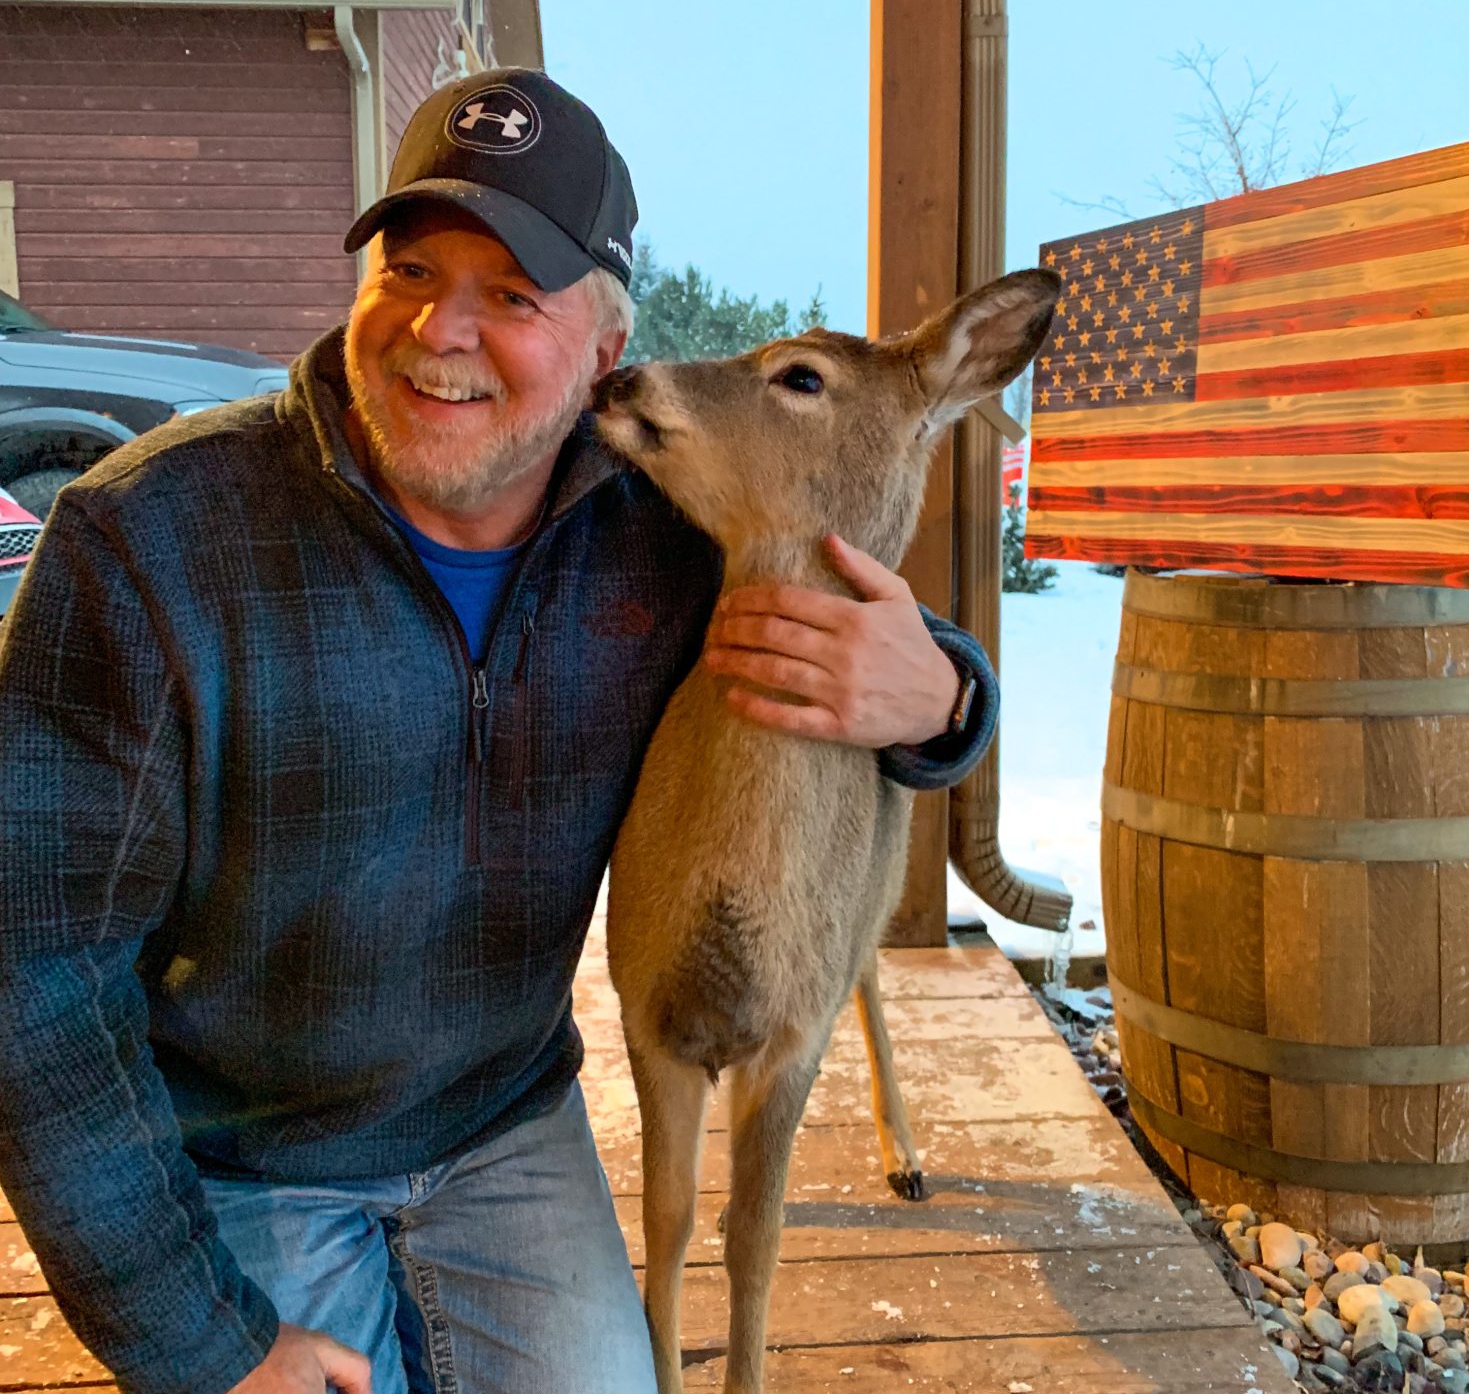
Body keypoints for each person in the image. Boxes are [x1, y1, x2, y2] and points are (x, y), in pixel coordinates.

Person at [0, 68, 1000, 1394]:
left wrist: (946, 699)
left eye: (512, 297)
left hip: (503, 1126)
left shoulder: (656, 545)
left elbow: (862, 621)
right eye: (408, 270)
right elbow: (30, 968)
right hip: (241, 1150)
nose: (438, 332)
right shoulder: (154, 545)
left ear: (604, 352)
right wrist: (202, 1339)